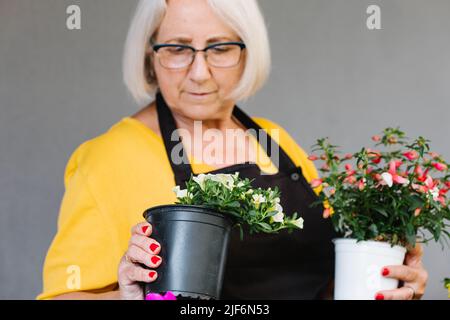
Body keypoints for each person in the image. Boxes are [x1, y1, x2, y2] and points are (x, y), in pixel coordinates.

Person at [37, 0, 428, 300]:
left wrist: (388, 278)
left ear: (247, 53)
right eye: (177, 48)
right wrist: (130, 297)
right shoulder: (108, 158)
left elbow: (315, 284)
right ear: (149, 57)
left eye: (220, 48)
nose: (200, 71)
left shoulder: (275, 141)